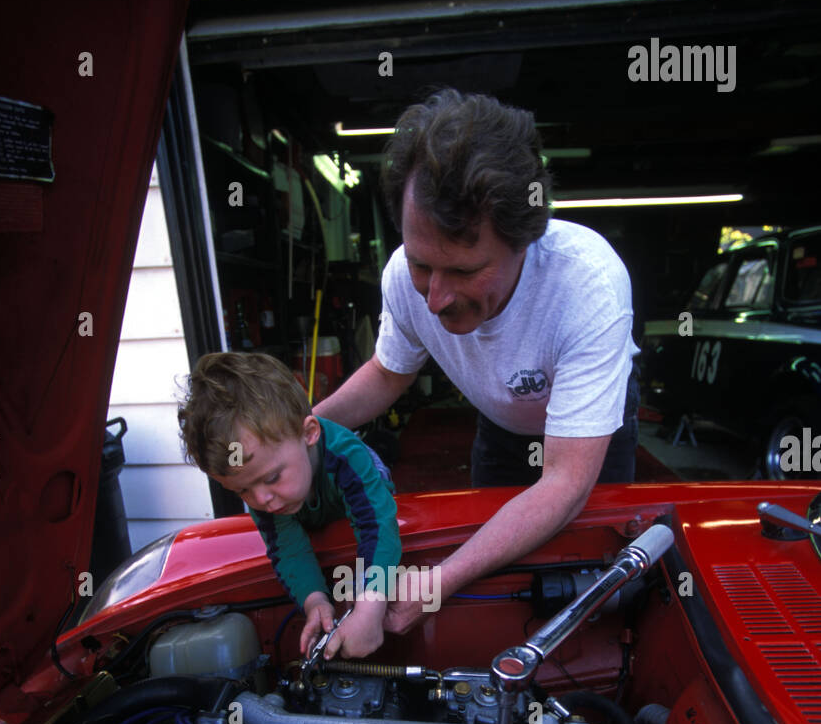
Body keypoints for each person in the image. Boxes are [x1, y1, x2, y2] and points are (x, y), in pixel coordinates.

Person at [314, 88, 640, 638]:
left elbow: (564, 483)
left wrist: (437, 582)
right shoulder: (401, 277)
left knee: (586, 576)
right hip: (501, 419)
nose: (436, 297)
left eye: (464, 272)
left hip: (588, 442)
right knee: (494, 577)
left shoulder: (588, 287)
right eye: (423, 265)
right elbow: (390, 372)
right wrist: (302, 431)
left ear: (525, 239)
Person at [179, 352, 401, 659]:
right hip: (315, 502)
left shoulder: (348, 458)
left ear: (310, 433)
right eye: (243, 490)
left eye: (272, 477)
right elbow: (288, 549)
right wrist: (315, 602)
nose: (261, 500)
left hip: (361, 494)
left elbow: (377, 529)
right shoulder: (262, 482)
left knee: (375, 506)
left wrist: (370, 605)